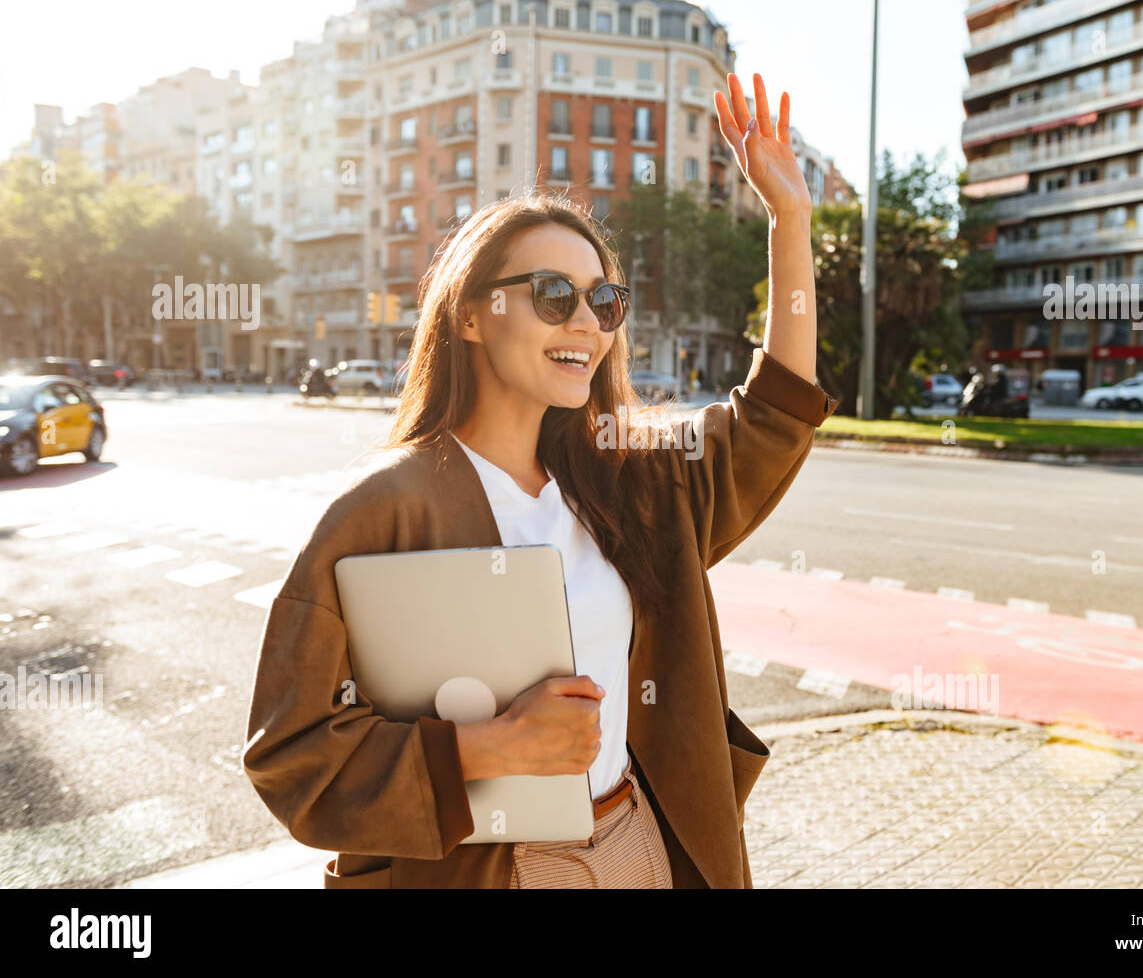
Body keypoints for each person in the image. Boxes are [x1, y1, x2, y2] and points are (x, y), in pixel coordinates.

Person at [242, 72, 838, 889]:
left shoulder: (637, 480)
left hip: (636, 845)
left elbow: (776, 414)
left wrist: (790, 219)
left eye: (604, 300)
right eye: (554, 296)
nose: (587, 323)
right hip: (487, 872)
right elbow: (291, 753)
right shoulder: (382, 509)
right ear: (471, 314)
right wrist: (485, 749)